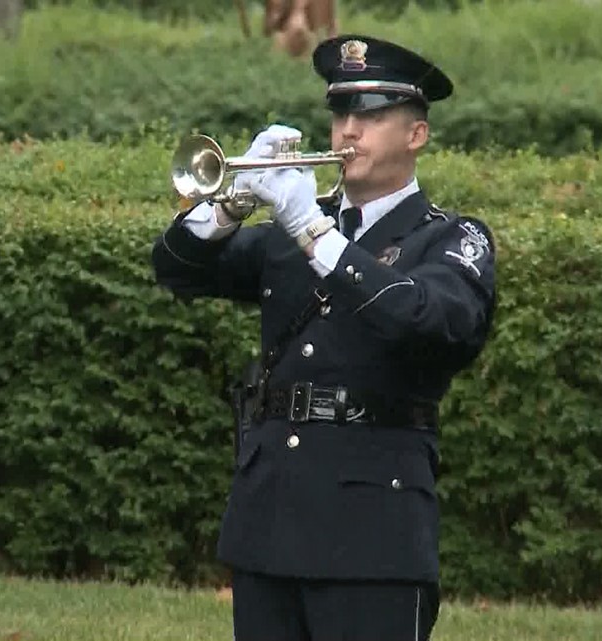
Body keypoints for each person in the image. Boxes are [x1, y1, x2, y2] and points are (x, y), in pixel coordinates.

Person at [150, 35, 497, 641]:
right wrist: (231, 203)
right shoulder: (293, 233)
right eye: (341, 114)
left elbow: (425, 318)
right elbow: (175, 268)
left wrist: (312, 227)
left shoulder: (449, 239)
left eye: (371, 116)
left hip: (373, 533)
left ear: (416, 135)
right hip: (271, 520)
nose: (347, 133)